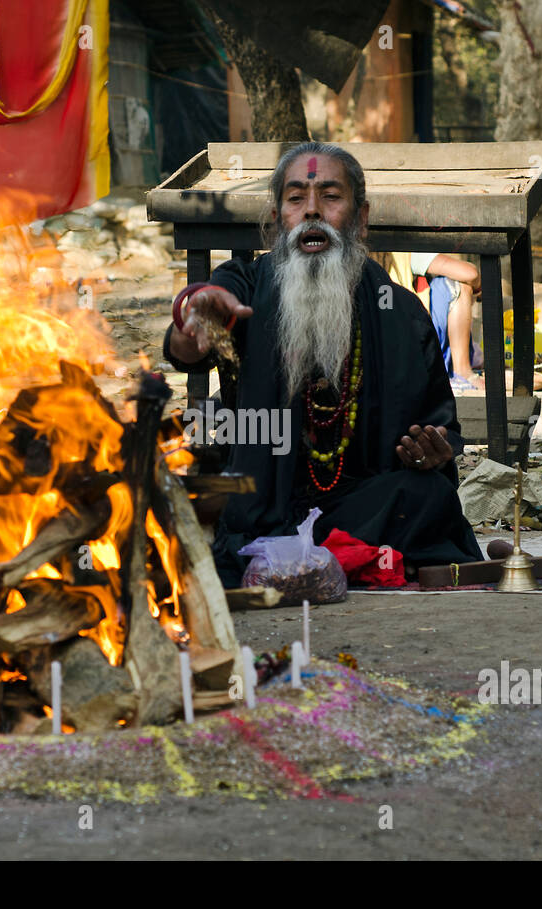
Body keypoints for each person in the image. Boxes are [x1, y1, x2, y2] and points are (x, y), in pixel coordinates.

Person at [164, 141, 483, 585]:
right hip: (262, 506)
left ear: (361, 218)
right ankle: (346, 559)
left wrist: (433, 452)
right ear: (277, 222)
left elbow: (442, 433)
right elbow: (186, 348)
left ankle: (307, 559)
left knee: (429, 497)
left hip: (359, 505)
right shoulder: (244, 286)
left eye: (330, 197)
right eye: (296, 198)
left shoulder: (402, 313)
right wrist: (199, 318)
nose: (312, 211)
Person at [409, 251, 482, 389]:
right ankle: (463, 373)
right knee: (457, 284)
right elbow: (470, 274)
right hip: (416, 342)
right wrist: (478, 288)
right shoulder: (407, 252)